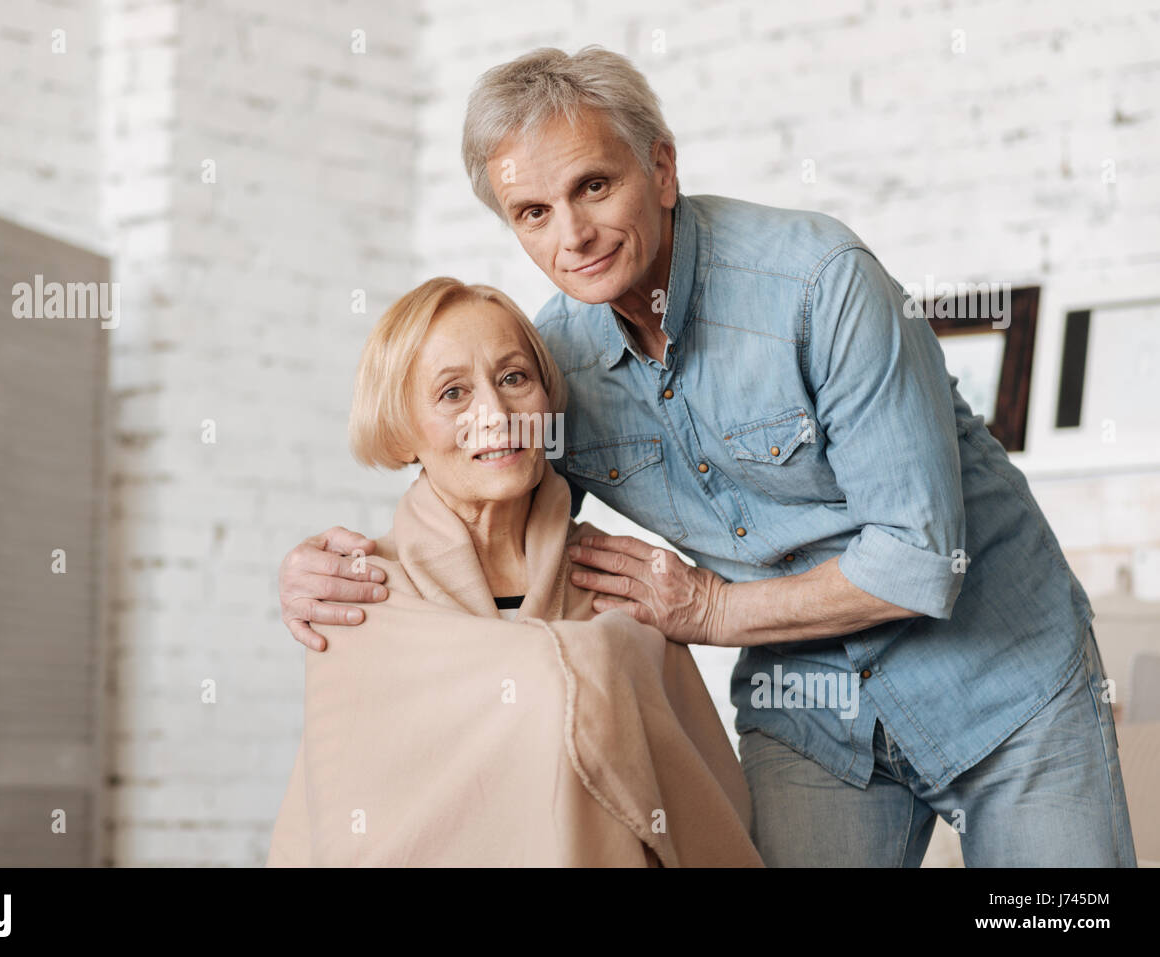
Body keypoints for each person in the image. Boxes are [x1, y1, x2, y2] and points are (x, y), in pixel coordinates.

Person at [279, 45, 1136, 867]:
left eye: (594, 186)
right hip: (809, 711)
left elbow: (917, 562)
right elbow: (497, 512)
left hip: (1005, 677)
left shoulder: (819, 283)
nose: (571, 235)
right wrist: (343, 569)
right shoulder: (549, 366)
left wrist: (713, 611)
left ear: (661, 168)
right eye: (533, 213)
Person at [267, 276, 761, 867]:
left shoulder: (627, 581)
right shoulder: (360, 596)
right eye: (452, 393)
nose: (496, 414)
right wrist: (587, 665)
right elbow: (346, 834)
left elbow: (707, 811)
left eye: (513, 379)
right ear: (402, 431)